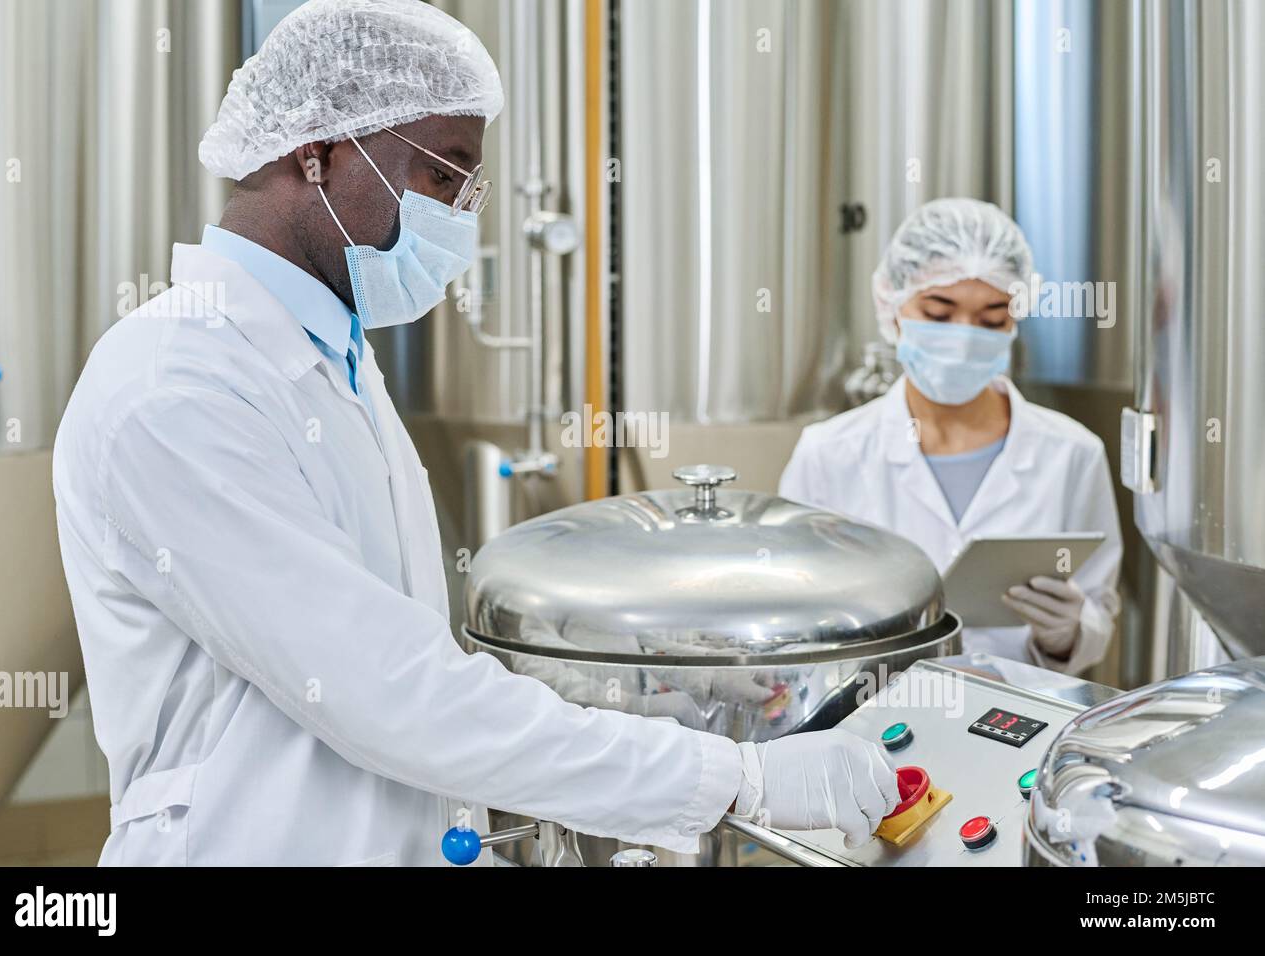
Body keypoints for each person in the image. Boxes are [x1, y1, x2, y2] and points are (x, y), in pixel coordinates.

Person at [52, 0, 896, 866]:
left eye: (468, 188)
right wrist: (735, 781)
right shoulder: (178, 389)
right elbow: (380, 689)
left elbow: (408, 659)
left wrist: (639, 709)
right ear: (318, 149)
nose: (457, 217)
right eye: (443, 175)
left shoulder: (335, 356)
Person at [780, 198, 1122, 674]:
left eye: (991, 319)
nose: (964, 338)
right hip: (868, 720)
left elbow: (1098, 607)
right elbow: (792, 618)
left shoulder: (1072, 454)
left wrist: (1067, 632)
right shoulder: (829, 454)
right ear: (892, 306)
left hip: (1018, 723)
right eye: (939, 314)